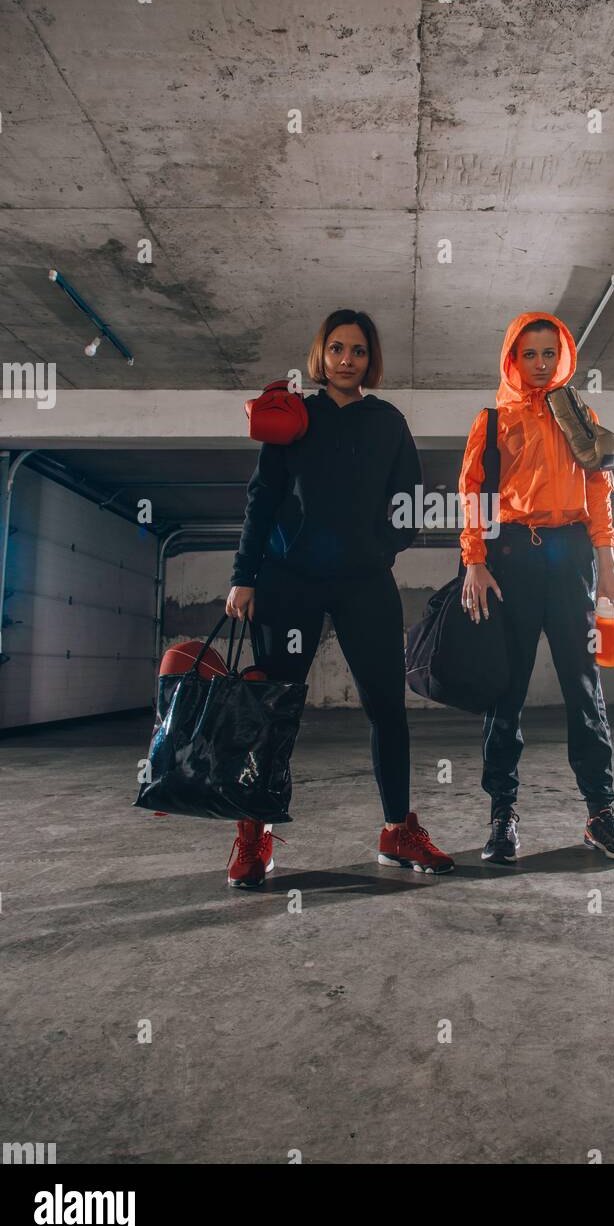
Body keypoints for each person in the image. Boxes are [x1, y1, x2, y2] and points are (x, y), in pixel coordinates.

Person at [224, 309, 454, 887]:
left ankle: (397, 830)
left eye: (356, 350)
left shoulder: (387, 422)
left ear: (369, 358)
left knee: (387, 708)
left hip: (363, 582)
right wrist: (244, 575)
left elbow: (410, 500)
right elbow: (262, 498)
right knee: (276, 709)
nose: (346, 359)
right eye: (336, 348)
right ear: (320, 355)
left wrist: (381, 548)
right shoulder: (294, 416)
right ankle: (257, 834)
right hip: (288, 580)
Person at [458, 312, 614, 866]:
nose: (539, 365)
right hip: (511, 557)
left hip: (572, 559)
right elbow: (473, 495)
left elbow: (599, 498)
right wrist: (475, 561)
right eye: (529, 355)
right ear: (512, 360)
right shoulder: (491, 421)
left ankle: (600, 816)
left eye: (548, 355)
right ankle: (502, 819)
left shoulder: (580, 416)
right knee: (505, 694)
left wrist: (608, 568)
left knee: (584, 690)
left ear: (560, 358)